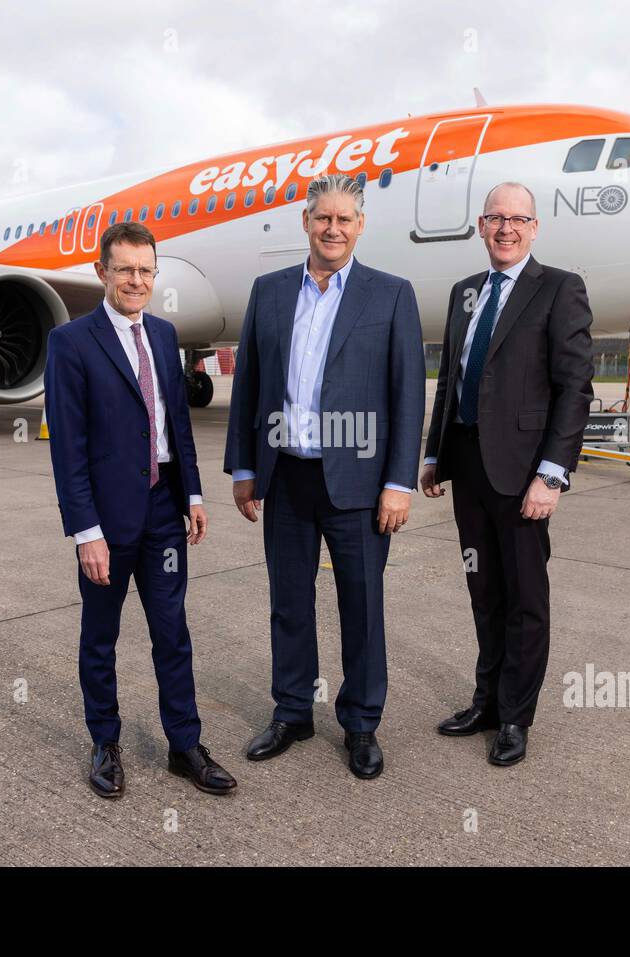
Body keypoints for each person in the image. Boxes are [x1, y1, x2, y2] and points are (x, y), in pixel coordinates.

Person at [224, 173, 425, 779]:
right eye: (322, 218)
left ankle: (361, 724)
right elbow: (250, 386)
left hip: (360, 486)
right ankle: (292, 710)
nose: (333, 228)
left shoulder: (390, 295)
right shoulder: (270, 291)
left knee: (361, 605)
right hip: (287, 476)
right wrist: (244, 466)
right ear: (306, 223)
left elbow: (408, 394)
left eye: (344, 219)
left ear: (359, 226)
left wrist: (399, 482)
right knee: (288, 603)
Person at [44, 221, 236, 797]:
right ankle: (105, 742)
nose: (135, 280)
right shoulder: (73, 343)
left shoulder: (163, 334)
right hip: (106, 518)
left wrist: (194, 496)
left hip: (162, 512)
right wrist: (86, 532)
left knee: (172, 631)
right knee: (100, 637)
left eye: (145, 270)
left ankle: (184, 745)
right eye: (124, 269)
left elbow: (176, 425)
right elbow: (68, 449)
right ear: (102, 272)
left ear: (155, 275)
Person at [421, 182, 594, 767]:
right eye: (496, 218)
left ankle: (516, 716)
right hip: (468, 465)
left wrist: (552, 475)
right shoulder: (464, 292)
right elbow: (451, 378)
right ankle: (487, 701)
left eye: (518, 219)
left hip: (524, 473)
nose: (506, 229)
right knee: (483, 590)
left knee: (525, 597)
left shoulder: (559, 289)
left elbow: (575, 389)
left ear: (535, 228)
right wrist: (433, 454)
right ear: (480, 225)